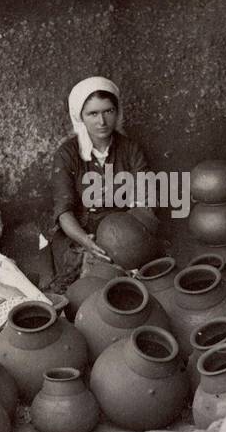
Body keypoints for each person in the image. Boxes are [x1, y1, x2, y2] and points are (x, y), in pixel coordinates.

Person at [44, 76, 153, 286]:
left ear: (117, 112)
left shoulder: (130, 149)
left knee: (138, 274)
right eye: (92, 113)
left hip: (123, 230)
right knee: (92, 282)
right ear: (80, 117)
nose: (102, 122)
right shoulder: (67, 154)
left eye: (108, 111)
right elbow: (63, 210)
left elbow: (145, 197)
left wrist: (129, 237)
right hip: (81, 235)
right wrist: (86, 241)